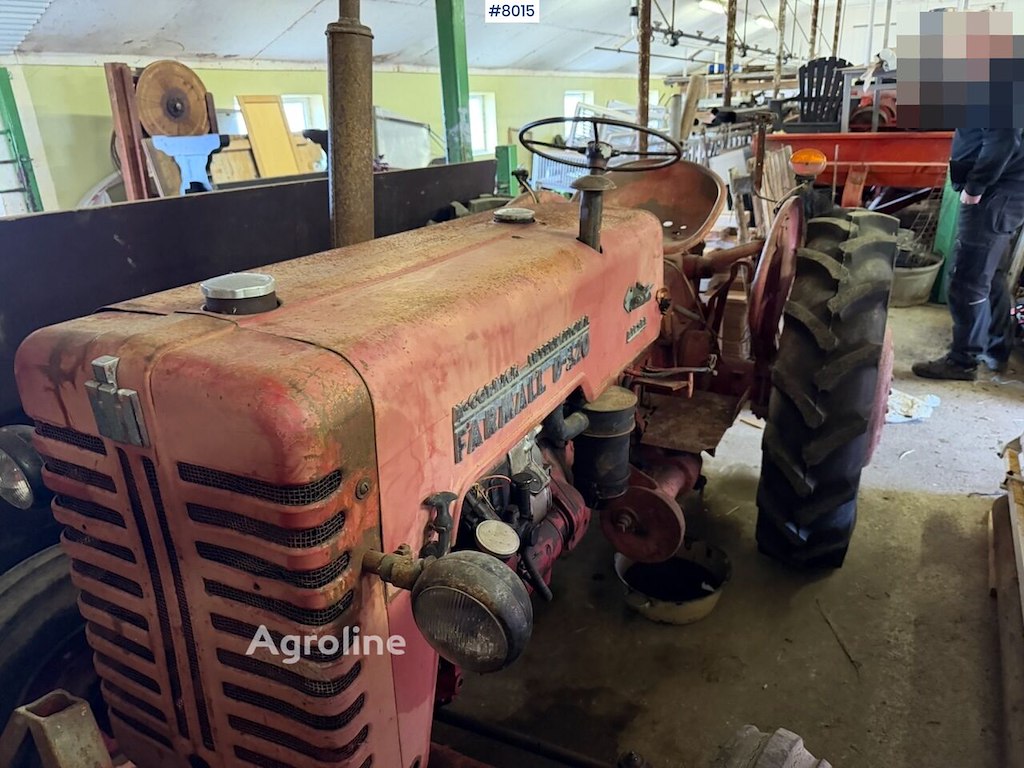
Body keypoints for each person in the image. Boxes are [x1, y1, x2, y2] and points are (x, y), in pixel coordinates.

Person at [912, 128, 1024, 381]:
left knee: (967, 280)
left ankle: (962, 361)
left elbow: (1003, 137)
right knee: (990, 274)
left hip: (994, 194)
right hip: (1006, 191)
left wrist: (975, 187)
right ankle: (996, 349)